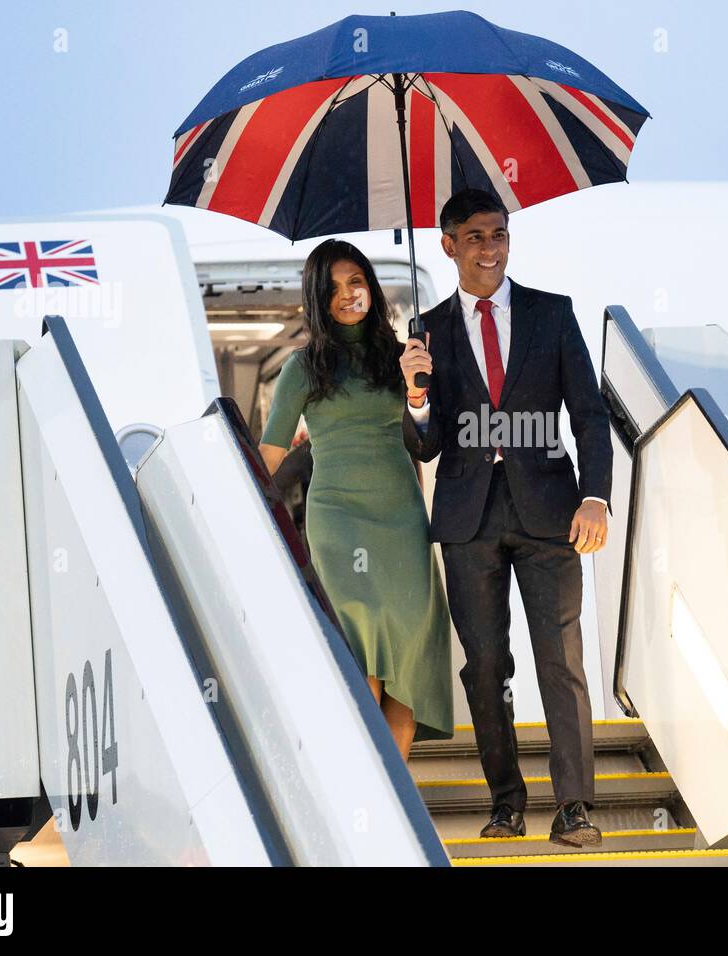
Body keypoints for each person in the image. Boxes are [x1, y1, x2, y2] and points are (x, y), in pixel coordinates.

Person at [398, 188, 612, 847]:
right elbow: (426, 445)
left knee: (561, 657)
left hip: (551, 510)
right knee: (486, 665)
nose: (490, 248)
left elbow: (589, 413)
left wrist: (596, 495)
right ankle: (506, 804)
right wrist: (414, 394)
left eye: (499, 235)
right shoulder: (425, 331)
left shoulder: (552, 314)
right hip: (469, 519)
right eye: (475, 238)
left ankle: (574, 807)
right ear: (448, 245)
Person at [259, 238, 454, 758]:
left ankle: (397, 805)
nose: (347, 295)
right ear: (316, 299)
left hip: (402, 516)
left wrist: (416, 393)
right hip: (340, 518)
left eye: (356, 283)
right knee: (362, 640)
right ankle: (370, 799)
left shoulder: (401, 357)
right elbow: (271, 455)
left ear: (370, 287)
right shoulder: (302, 367)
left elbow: (428, 442)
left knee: (406, 657)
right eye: (333, 288)